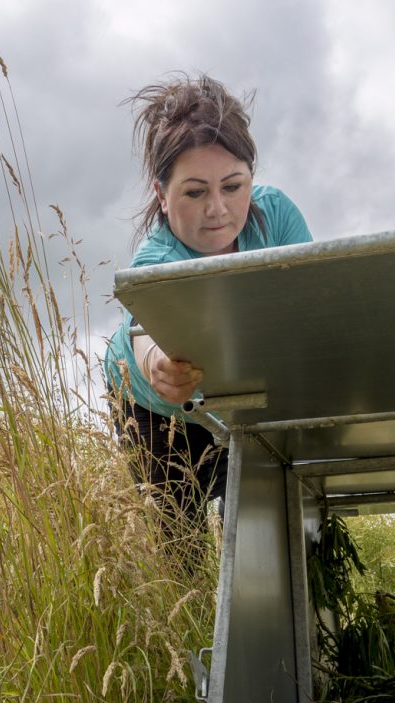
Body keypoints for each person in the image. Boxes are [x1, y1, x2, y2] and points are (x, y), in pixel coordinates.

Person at [105, 74, 312, 544]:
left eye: (233, 186)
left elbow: (311, 303)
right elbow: (146, 339)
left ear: (250, 179)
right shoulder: (156, 262)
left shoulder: (276, 215)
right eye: (195, 192)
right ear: (162, 194)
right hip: (157, 413)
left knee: (282, 514)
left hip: (246, 389)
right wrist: (159, 365)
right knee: (181, 543)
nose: (218, 208)